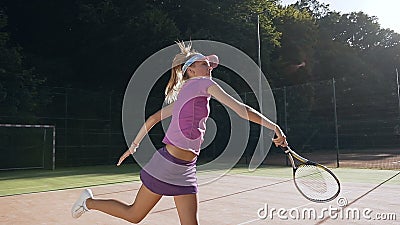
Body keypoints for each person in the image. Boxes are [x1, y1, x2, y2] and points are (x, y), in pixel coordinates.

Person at [71, 41, 288, 224]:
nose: (210, 68)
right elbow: (242, 110)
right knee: (134, 215)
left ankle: (88, 202)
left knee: (149, 217)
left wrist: (134, 145)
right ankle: (88, 202)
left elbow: (154, 118)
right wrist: (274, 127)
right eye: (205, 64)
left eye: (210, 66)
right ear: (191, 70)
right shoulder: (202, 83)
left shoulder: (187, 94)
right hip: (168, 164)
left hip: (186, 168)